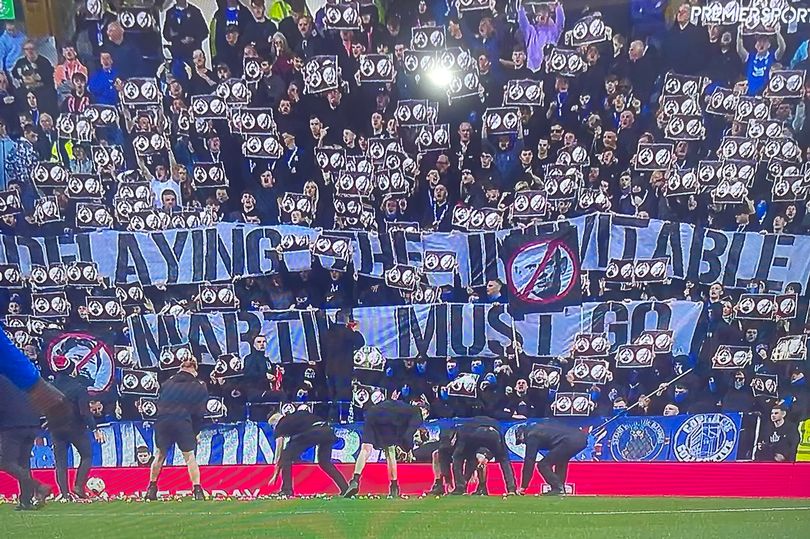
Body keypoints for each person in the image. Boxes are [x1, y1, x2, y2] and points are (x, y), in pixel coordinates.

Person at [145, 355, 209, 501]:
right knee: (189, 456)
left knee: (160, 455)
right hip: (182, 420)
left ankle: (152, 488)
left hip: (163, 420)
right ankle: (197, 489)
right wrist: (196, 431)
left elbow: (159, 402)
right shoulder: (199, 385)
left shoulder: (167, 383)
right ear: (194, 369)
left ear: (181, 368)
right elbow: (199, 412)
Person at [344, 393, 425, 497]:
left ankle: (355, 480)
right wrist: (409, 449)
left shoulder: (403, 407)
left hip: (372, 413)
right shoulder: (416, 413)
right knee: (390, 452)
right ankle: (394, 486)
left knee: (365, 449)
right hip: (387, 419)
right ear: (424, 411)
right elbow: (408, 434)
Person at [51, 364, 105, 500]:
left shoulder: (49, 386)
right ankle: (78, 486)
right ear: (72, 370)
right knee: (87, 455)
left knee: (61, 462)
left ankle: (64, 494)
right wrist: (94, 429)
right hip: (75, 428)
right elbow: (84, 411)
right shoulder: (79, 388)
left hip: (56, 428)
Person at [267, 409, 350, 496]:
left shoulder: (280, 426)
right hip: (327, 430)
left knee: (285, 456)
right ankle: (345, 488)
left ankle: (287, 490)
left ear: (275, 422)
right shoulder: (299, 414)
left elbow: (279, 450)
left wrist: (275, 476)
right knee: (324, 462)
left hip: (312, 432)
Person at [0, 375, 51, 510]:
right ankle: (26, 501)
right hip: (31, 424)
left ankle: (38, 486)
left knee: (5, 462)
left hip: (12, 426)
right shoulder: (21, 377)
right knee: (23, 464)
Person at [446, 417, 516, 495]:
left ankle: (460, 487)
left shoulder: (462, 430)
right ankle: (511, 489)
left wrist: (462, 482)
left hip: (477, 433)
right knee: (503, 459)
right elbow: (504, 457)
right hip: (495, 434)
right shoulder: (490, 423)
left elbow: (460, 457)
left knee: (458, 457)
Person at [514, 422, 588, 495]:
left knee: (543, 465)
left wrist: (524, 486)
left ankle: (558, 488)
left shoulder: (531, 435)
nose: (523, 443)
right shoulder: (539, 428)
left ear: (521, 434)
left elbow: (529, 460)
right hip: (581, 439)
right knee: (561, 462)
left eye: (521, 441)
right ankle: (560, 488)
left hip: (569, 440)